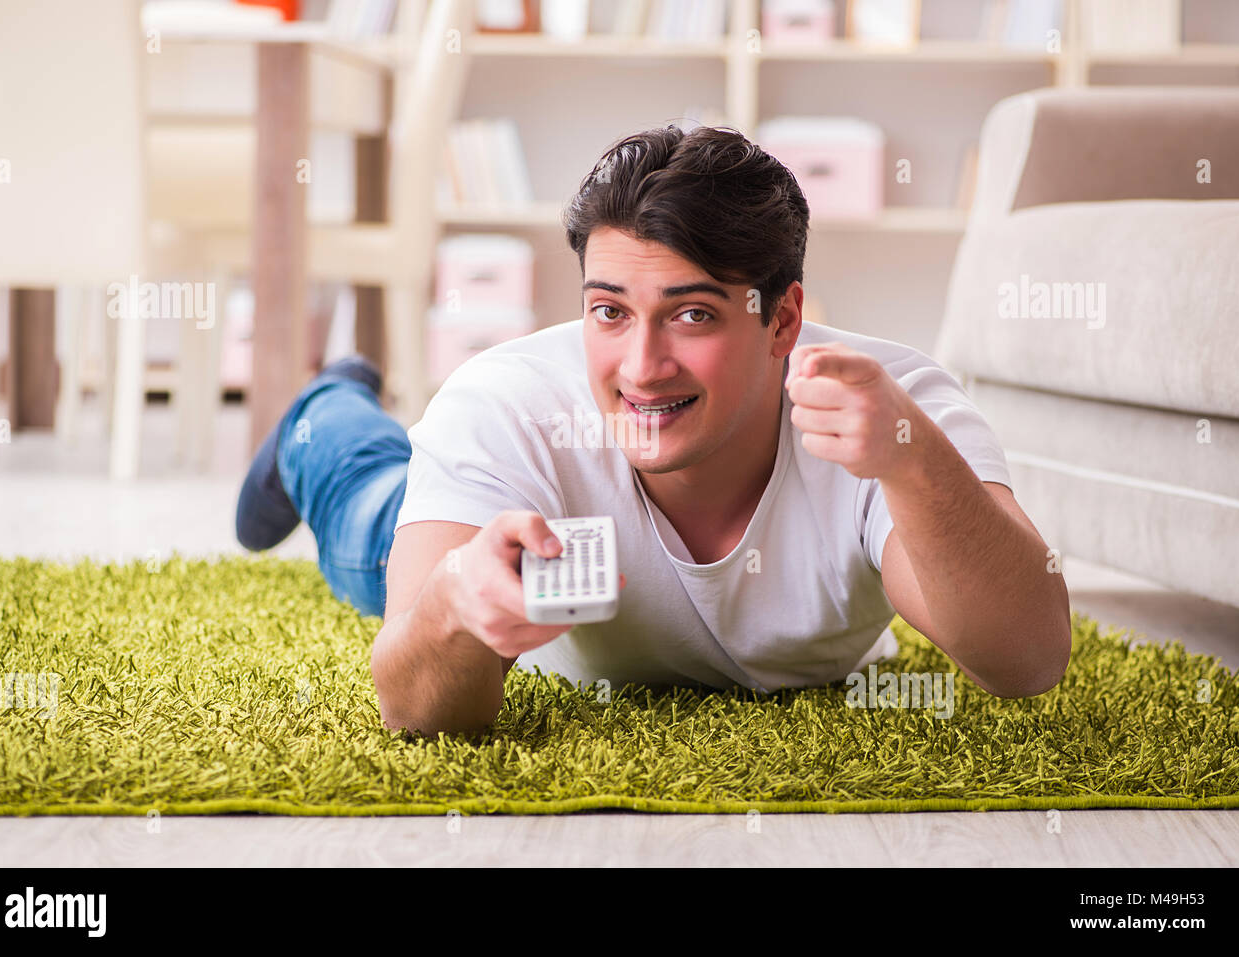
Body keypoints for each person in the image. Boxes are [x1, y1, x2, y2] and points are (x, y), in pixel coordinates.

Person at [236, 125, 1072, 739]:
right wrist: (457, 598)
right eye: (609, 311)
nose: (641, 366)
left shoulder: (889, 416)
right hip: (451, 514)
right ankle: (324, 417)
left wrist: (915, 461)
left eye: (693, 315)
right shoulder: (507, 404)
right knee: (370, 514)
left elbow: (1028, 660)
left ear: (782, 321)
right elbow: (415, 709)